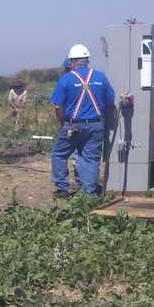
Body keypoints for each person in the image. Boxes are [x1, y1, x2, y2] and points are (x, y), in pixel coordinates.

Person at [50, 44, 116, 197]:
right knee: (90, 159)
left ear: (72, 61)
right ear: (87, 60)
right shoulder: (100, 77)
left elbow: (58, 106)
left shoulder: (66, 79)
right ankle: (89, 193)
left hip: (73, 125)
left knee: (59, 154)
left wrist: (62, 123)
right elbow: (110, 103)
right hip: (96, 125)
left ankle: (62, 188)